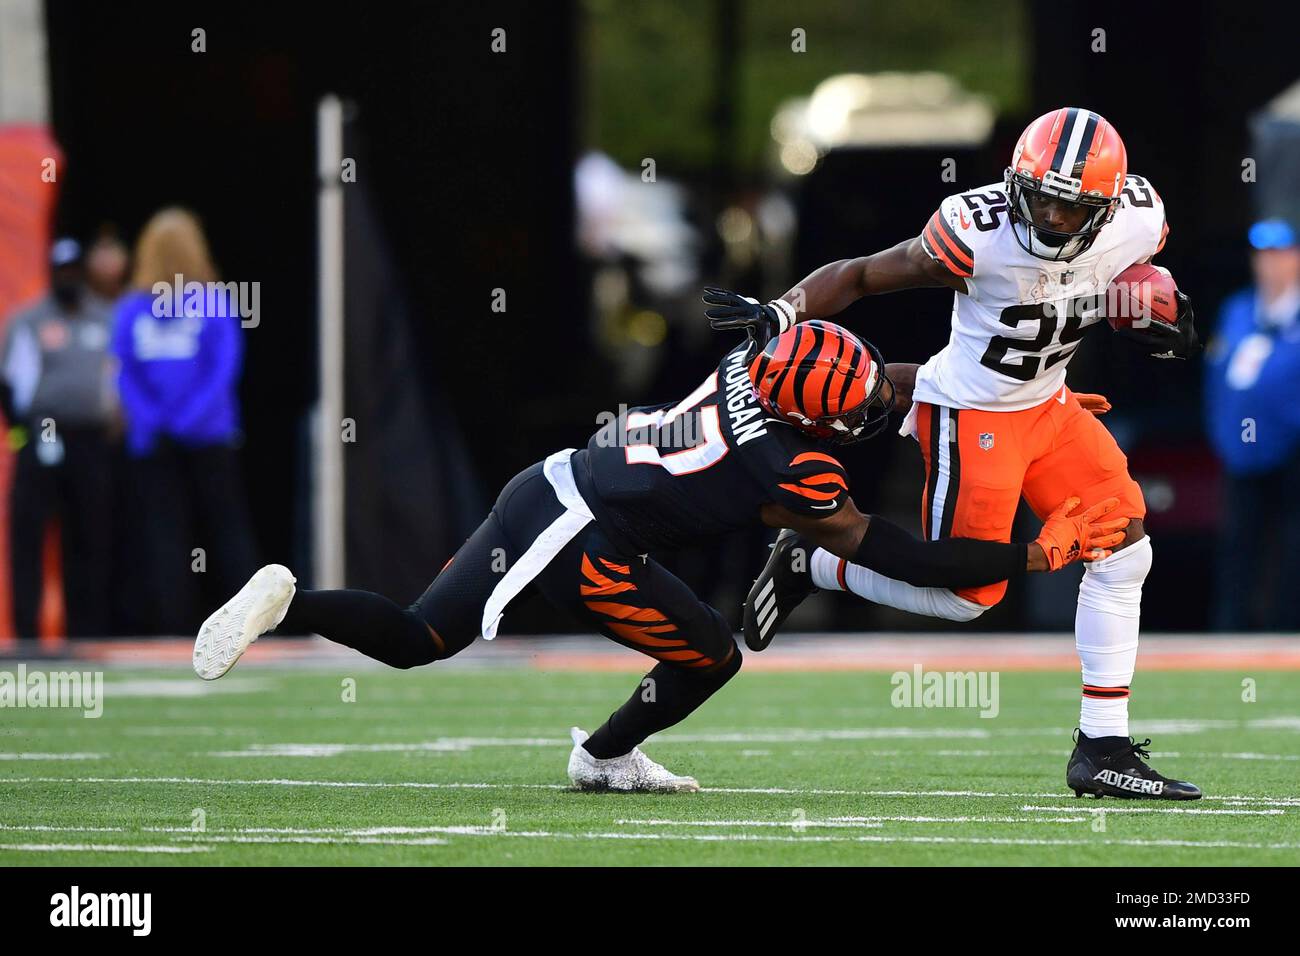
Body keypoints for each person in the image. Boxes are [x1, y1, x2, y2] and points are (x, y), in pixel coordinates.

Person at [193, 320, 1124, 793]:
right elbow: (909, 557)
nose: (864, 421)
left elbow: (853, 371)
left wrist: (1015, 404)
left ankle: (601, 756)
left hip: (561, 483)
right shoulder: (794, 466)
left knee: (710, 649)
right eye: (845, 417)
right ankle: (300, 608)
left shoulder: (752, 361)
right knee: (419, 639)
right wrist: (1039, 554)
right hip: (579, 537)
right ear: (810, 417)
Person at [710, 108, 1202, 800]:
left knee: (1125, 545)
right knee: (971, 598)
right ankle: (815, 562)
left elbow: (1158, 299)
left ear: (1107, 206)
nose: (1053, 219)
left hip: (1051, 405)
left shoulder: (1136, 220)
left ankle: (1103, 745)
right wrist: (782, 311)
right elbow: (856, 275)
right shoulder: (975, 235)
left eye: (1072, 207)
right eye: (1042, 200)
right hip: (973, 415)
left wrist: (1167, 319)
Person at [111, 208, 257, 633]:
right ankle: (209, 624)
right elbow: (126, 369)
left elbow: (221, 369)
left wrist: (169, 420)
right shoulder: (136, 308)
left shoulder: (207, 303)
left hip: (193, 436)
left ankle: (185, 624)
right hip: (181, 437)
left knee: (182, 534)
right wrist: (169, 421)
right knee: (206, 532)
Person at [0, 238, 117, 638]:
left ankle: (87, 632)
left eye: (74, 271)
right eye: (61, 271)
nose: (68, 278)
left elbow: (117, 380)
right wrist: (20, 434)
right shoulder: (28, 321)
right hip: (42, 437)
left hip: (89, 440)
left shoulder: (104, 319)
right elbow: (9, 383)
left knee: (88, 535)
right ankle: (27, 633)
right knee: (29, 534)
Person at [1204, 219, 1300, 631]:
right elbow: (1216, 379)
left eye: (1280, 255)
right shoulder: (1238, 310)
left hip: (1293, 454)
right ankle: (1232, 631)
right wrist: (1223, 434)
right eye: (1263, 256)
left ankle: (1286, 629)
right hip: (1242, 454)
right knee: (1239, 544)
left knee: (1292, 547)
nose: (1271, 265)